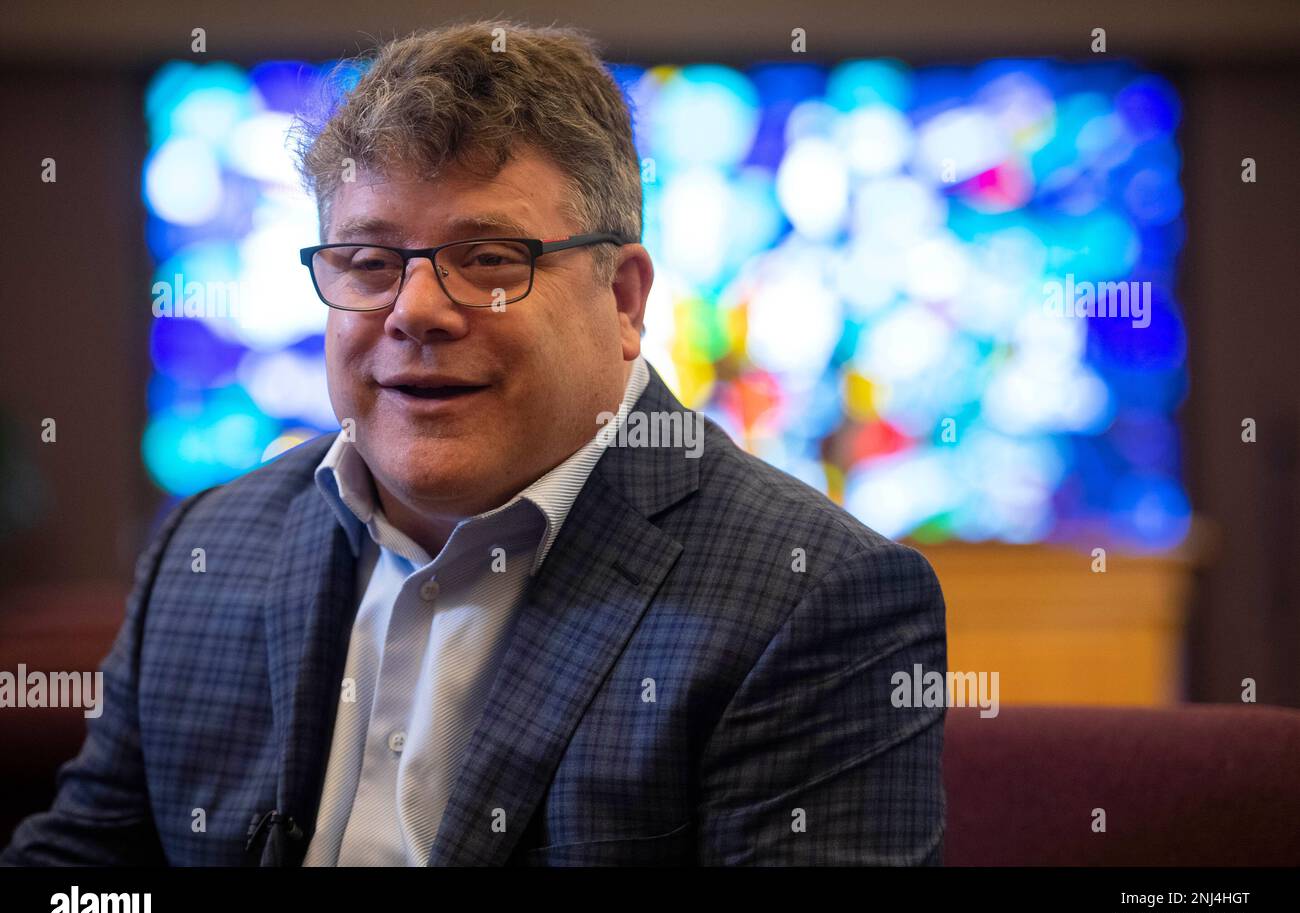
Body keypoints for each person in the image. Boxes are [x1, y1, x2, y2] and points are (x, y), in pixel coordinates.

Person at [1, 18, 947, 866]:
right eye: (368, 263)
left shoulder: (816, 599)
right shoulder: (206, 548)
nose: (416, 311)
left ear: (622, 300)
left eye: (489, 260)